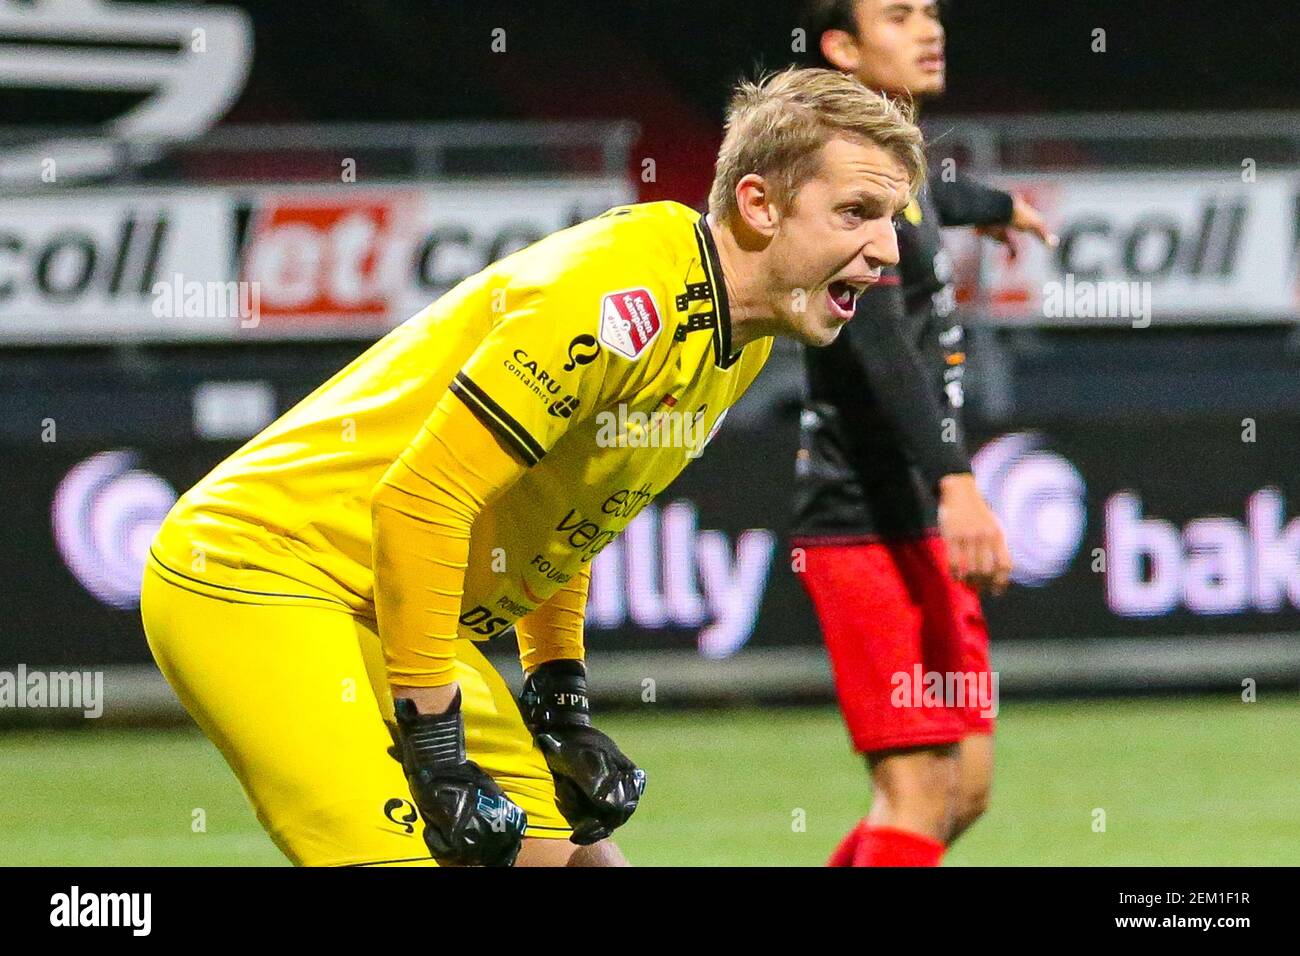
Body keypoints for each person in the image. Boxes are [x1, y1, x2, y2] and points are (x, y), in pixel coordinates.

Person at [140, 66, 925, 867]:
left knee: (577, 862)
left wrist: (558, 703)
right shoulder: (616, 297)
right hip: (260, 575)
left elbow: (563, 516)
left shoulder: (745, 337)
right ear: (759, 204)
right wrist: (437, 751)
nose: (887, 248)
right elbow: (419, 504)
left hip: (387, 609)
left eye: (891, 219)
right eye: (856, 213)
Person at [792, 0, 1056, 867]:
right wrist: (956, 479)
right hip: (863, 516)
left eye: (932, 12)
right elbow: (882, 354)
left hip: (914, 511)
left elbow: (932, 195)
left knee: (964, 785)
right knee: (917, 791)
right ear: (841, 46)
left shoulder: (894, 169)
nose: (930, 29)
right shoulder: (841, 182)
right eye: (898, 15)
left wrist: (995, 203)